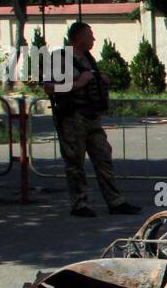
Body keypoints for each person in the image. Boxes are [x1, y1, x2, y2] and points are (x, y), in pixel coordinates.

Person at [45, 21, 140, 218]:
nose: (93, 39)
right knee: (75, 162)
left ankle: (115, 202)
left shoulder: (88, 58)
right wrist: (78, 83)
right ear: (78, 37)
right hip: (72, 117)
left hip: (92, 116)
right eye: (90, 35)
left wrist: (99, 79)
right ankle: (78, 203)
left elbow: (89, 79)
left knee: (103, 157)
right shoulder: (58, 59)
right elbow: (49, 88)